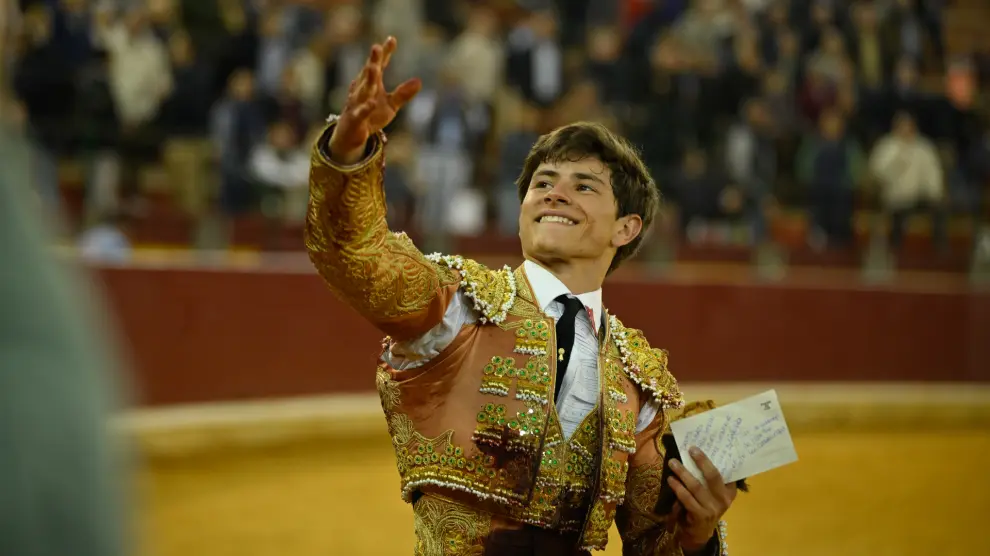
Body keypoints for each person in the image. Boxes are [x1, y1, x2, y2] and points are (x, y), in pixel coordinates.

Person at [305, 37, 744, 555]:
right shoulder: (458, 306)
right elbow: (354, 255)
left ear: (626, 228)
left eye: (584, 186)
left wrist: (696, 533)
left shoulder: (637, 383)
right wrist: (348, 148)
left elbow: (655, 542)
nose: (555, 193)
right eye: (543, 183)